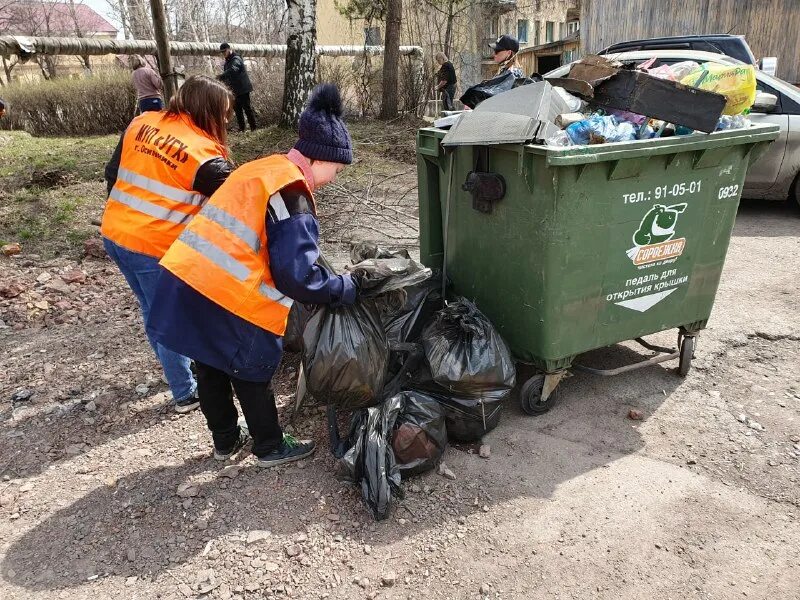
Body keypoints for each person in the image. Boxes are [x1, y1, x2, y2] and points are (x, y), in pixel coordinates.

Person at [147, 84, 358, 468]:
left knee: (209, 364)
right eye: (338, 168)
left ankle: (225, 442)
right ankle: (269, 446)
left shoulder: (263, 168)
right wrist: (345, 287)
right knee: (251, 368)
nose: (336, 177)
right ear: (320, 158)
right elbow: (298, 277)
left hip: (188, 277)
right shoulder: (291, 192)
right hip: (228, 292)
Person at [101, 75, 235, 413]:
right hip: (151, 246)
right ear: (209, 111)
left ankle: (176, 372)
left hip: (115, 233)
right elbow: (239, 208)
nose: (227, 121)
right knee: (172, 318)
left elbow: (112, 172)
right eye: (225, 114)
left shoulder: (143, 122)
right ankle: (185, 391)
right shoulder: (204, 157)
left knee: (152, 309)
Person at [218, 42, 257, 132]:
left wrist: (221, 76)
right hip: (234, 90)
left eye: (225, 51)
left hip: (243, 89)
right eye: (222, 52)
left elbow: (233, 70)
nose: (223, 53)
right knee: (238, 110)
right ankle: (242, 128)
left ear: (229, 49)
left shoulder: (236, 58)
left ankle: (253, 128)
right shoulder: (227, 62)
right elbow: (228, 75)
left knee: (247, 109)